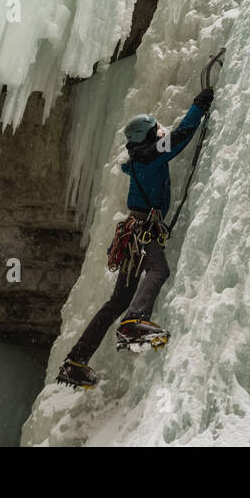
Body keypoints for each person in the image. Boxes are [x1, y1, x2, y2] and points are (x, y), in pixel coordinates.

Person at [56, 84, 214, 389]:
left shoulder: (140, 159)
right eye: (156, 129)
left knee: (116, 300)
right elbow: (180, 137)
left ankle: (76, 360)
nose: (160, 132)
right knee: (159, 269)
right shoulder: (150, 156)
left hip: (133, 232)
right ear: (149, 135)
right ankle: (135, 321)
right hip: (143, 232)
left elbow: (171, 138)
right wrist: (199, 104)